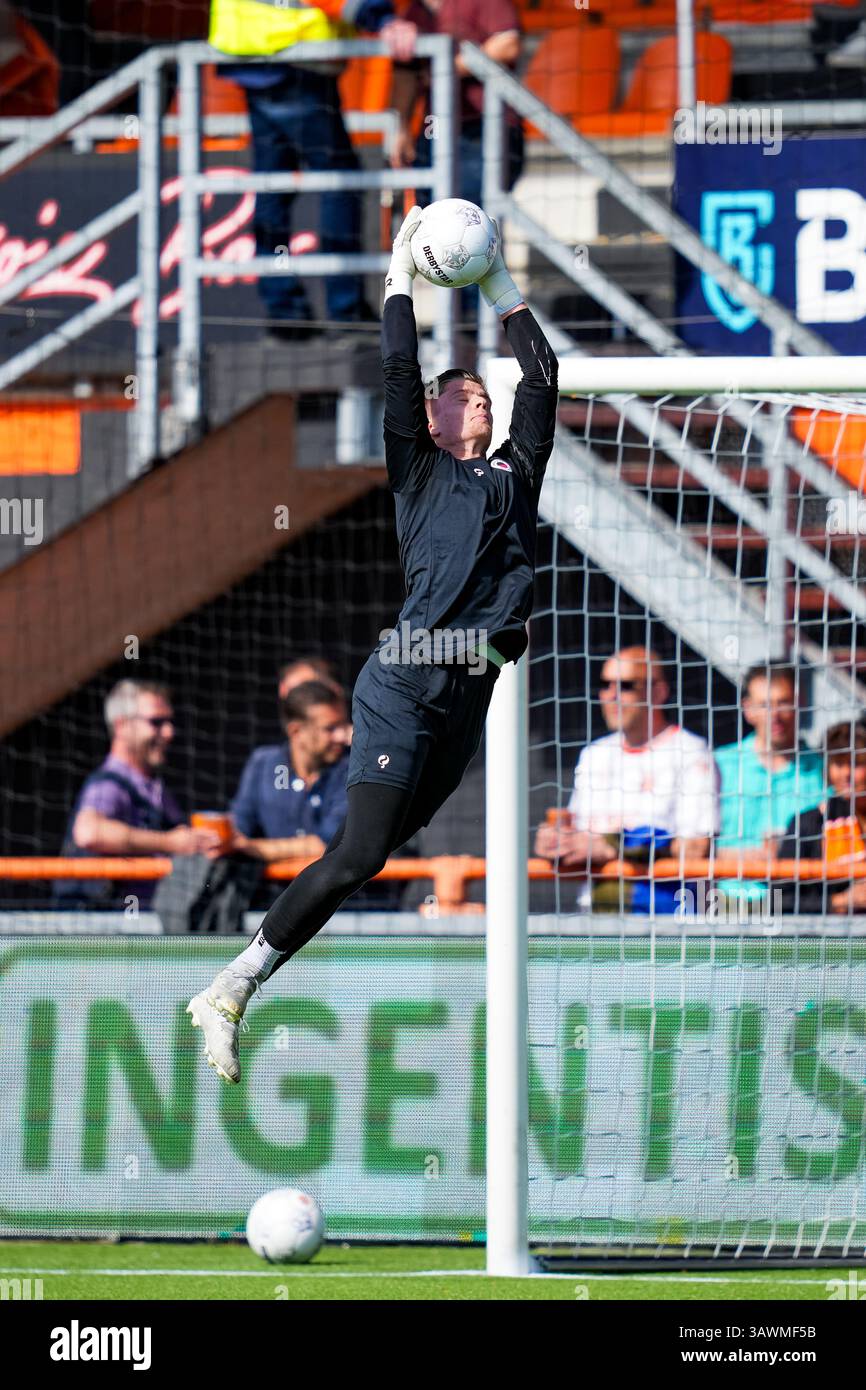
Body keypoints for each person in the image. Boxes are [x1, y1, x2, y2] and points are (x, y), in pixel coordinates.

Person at [188, 203, 558, 1081]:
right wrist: (402, 271)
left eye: (477, 390)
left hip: (469, 690)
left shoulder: (517, 470)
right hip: (404, 682)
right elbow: (401, 363)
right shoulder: (420, 469)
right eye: (454, 391)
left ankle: (240, 983)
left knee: (375, 853)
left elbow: (543, 370)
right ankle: (232, 987)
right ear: (430, 421)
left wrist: (498, 278)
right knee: (358, 851)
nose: (471, 392)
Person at [208, 0, 418, 342]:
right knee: (339, 180)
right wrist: (382, 19)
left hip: (252, 57)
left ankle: (285, 309)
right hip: (296, 60)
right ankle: (345, 308)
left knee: (274, 187)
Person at [534, 647, 719, 914]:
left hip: (667, 916)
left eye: (626, 686)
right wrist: (557, 843)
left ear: (658, 692)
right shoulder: (594, 755)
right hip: (596, 913)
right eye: (604, 685)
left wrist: (612, 846)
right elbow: (581, 842)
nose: (611, 695)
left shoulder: (691, 752)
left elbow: (697, 847)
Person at [389, 0, 524, 323]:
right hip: (434, 131)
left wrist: (448, 66)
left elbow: (508, 44)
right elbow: (406, 69)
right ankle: (456, 324)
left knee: (473, 229)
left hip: (484, 130)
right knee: (434, 232)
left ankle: (481, 326)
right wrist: (401, 128)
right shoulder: (414, 13)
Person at [54, 680, 220, 909]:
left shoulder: (154, 786)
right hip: (104, 933)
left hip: (144, 928)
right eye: (156, 722)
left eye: (169, 721)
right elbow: (88, 832)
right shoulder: (109, 783)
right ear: (122, 726)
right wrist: (170, 842)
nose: (169, 732)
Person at [714, 661, 826, 903]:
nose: (775, 716)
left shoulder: (824, 772)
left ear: (800, 703)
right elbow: (695, 845)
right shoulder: (720, 765)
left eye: (783, 703)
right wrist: (745, 859)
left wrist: (789, 855)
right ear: (748, 709)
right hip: (730, 904)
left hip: (801, 905)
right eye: (765, 705)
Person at [225, 680, 351, 864]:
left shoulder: (352, 770)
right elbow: (240, 824)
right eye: (330, 728)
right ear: (296, 731)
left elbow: (332, 842)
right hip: (271, 891)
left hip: (338, 891)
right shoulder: (264, 763)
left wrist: (252, 847)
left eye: (343, 725)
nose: (342, 736)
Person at [777, 719, 866, 915]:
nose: (846, 773)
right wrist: (840, 901)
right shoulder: (809, 824)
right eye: (838, 763)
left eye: (856, 763)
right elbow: (779, 899)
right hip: (829, 939)